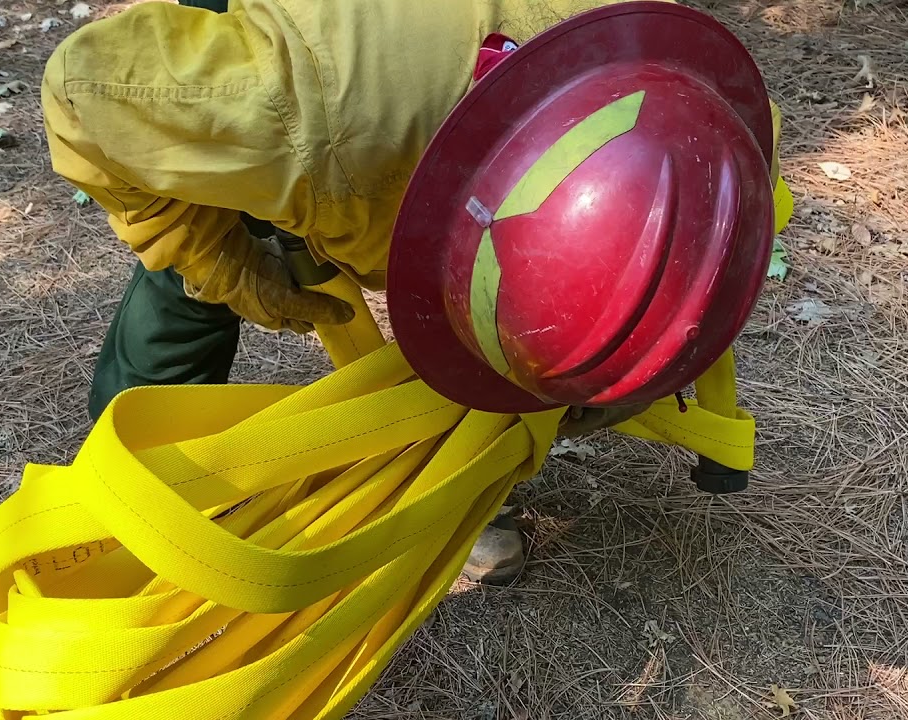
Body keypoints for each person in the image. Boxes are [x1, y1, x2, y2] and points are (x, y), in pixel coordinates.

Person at [42, 0, 779, 584]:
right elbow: (84, 93)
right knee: (187, 280)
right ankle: (123, 519)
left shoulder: (707, 131)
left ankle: (461, 488)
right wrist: (217, 258)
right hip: (331, 80)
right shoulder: (293, 116)